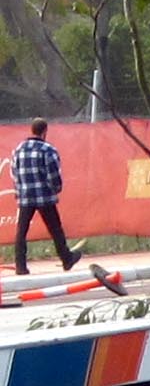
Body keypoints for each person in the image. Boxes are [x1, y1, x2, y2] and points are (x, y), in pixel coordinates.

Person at [10, 118, 81, 275]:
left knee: (21, 231)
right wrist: (56, 188)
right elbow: (53, 174)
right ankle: (66, 258)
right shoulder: (47, 150)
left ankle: (20, 266)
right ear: (45, 131)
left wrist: (19, 190)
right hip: (44, 196)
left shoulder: (19, 149)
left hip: (25, 196)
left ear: (32, 130)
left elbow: (14, 173)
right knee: (55, 228)